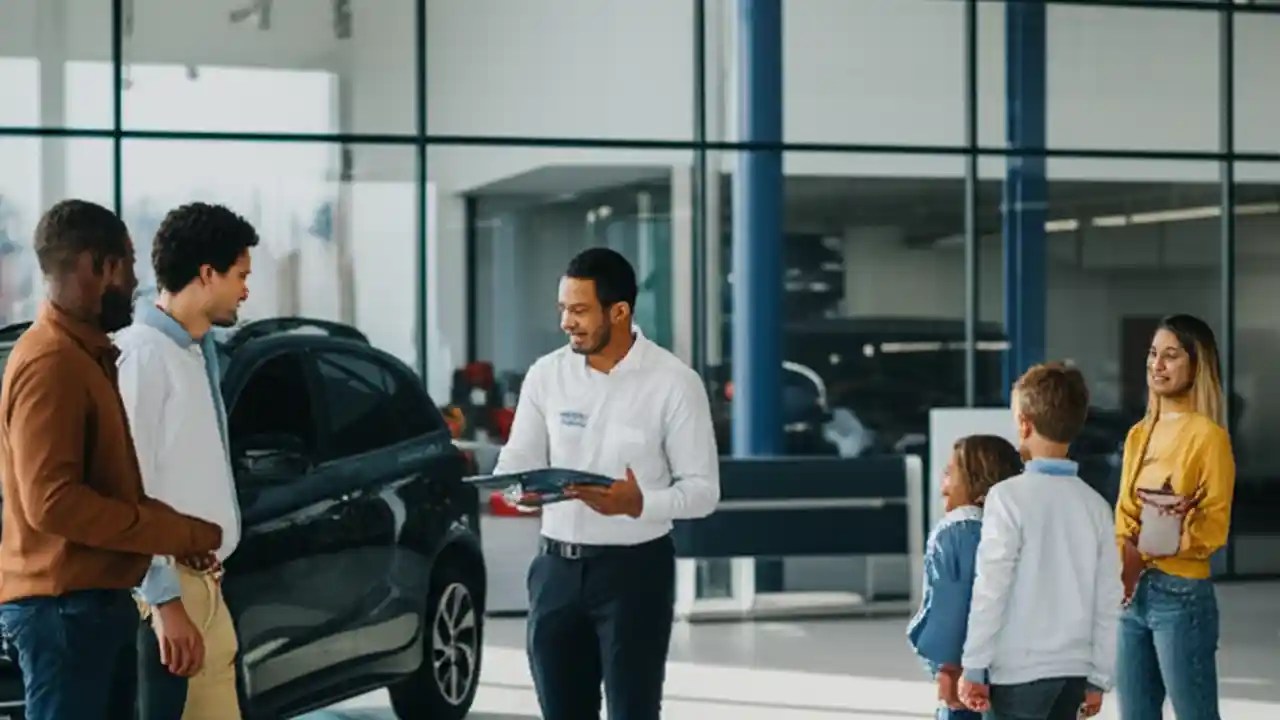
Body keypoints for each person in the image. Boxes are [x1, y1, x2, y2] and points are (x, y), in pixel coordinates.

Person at [0, 199, 224, 720]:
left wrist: (176, 534)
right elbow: (54, 504)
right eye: (127, 262)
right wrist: (175, 534)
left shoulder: (83, 355)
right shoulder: (51, 363)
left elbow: (109, 490)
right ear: (97, 266)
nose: (135, 279)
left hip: (87, 607)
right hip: (65, 612)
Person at [493, 247, 720, 720]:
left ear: (619, 312)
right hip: (554, 571)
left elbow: (703, 491)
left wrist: (639, 504)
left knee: (631, 712)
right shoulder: (546, 375)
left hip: (635, 575)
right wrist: (517, 490)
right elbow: (517, 458)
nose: (566, 323)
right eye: (562, 310)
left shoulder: (675, 383)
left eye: (578, 311)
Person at [115, 203, 258, 720]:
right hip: (171, 594)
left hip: (207, 585)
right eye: (240, 275)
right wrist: (163, 599)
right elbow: (128, 487)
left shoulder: (194, 352)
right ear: (206, 274)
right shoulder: (142, 355)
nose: (246, 289)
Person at [958, 363, 1122, 720]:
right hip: (1073, 673)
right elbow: (1109, 599)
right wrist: (1099, 677)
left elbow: (992, 587)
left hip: (1018, 674)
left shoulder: (1006, 498)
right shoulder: (1095, 505)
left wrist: (974, 664)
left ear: (1024, 424)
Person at [1114, 314, 1234, 720]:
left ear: (1196, 365)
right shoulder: (1138, 434)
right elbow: (1123, 514)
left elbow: (1214, 525)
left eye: (1170, 356)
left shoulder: (1208, 437)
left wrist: (1157, 540)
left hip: (1181, 596)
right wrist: (1124, 559)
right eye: (1152, 354)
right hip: (1132, 596)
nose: (1157, 365)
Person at [907, 434, 1022, 719]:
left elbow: (951, 609)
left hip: (966, 676)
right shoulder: (1013, 529)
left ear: (977, 481)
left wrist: (946, 668)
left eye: (950, 472)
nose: (942, 482)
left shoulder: (955, 532)